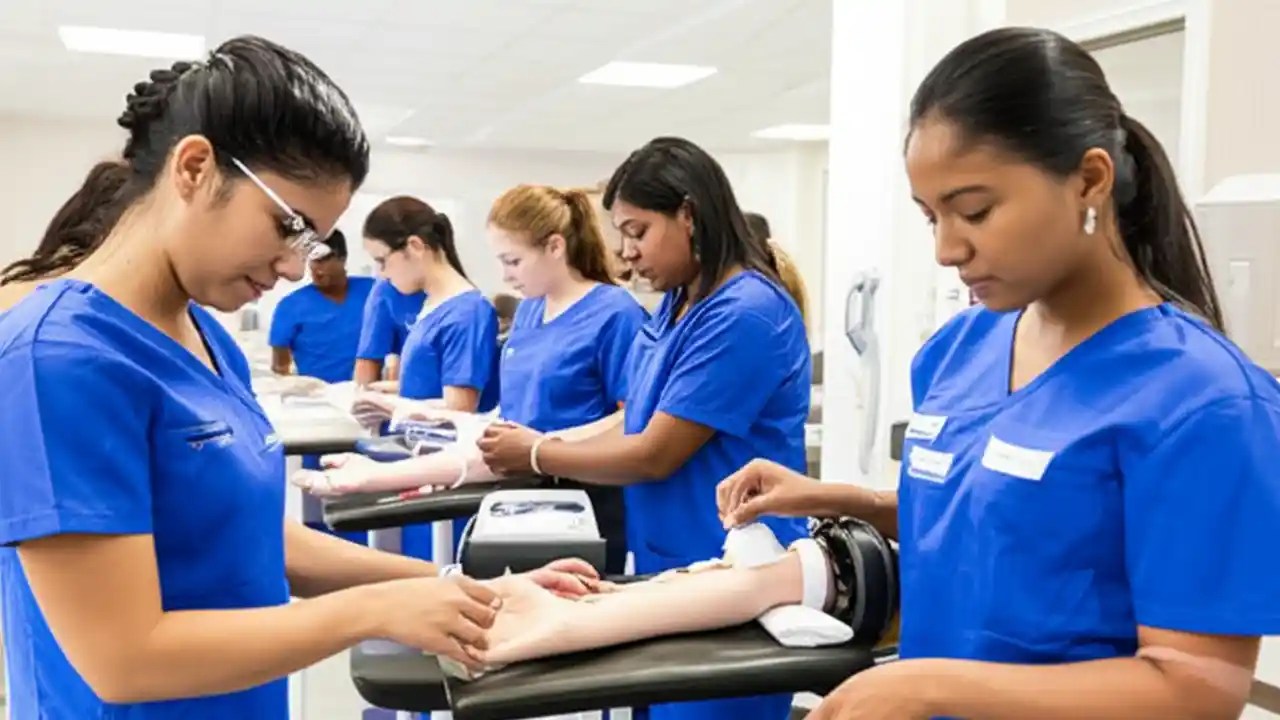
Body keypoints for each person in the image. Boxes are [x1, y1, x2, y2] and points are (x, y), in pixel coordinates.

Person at [0, 37, 594, 720]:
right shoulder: (59, 358)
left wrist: (472, 588)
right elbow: (125, 657)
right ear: (194, 168)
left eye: (310, 243)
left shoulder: (205, 335)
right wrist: (373, 610)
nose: (292, 267)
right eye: (288, 227)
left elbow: (258, 538)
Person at [716, 26, 1280, 720]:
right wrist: (833, 497)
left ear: (1090, 180)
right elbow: (998, 514)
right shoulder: (959, 349)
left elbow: (1194, 688)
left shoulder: (1202, 401)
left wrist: (925, 686)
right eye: (931, 218)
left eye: (975, 211)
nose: (949, 248)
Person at [479, 137, 812, 720]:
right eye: (621, 234)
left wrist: (539, 456)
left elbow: (655, 453)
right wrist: (542, 448)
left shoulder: (746, 312)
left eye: (638, 231)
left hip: (737, 565)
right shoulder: (677, 303)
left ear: (690, 214)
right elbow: (635, 424)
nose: (626, 252)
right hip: (672, 557)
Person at [356, 195, 501, 563]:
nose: (381, 275)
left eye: (382, 261)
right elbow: (427, 385)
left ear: (415, 247)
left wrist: (393, 404)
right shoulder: (431, 305)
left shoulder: (467, 311)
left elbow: (460, 406)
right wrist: (381, 395)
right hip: (419, 457)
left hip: (447, 467)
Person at [268, 229, 375, 383]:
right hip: (317, 398)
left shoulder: (373, 293)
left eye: (324, 259)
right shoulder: (290, 307)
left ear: (342, 258)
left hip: (371, 391)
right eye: (312, 259)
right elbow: (280, 369)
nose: (317, 268)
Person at [354, 277, 425, 386]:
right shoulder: (388, 290)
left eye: (383, 261)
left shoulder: (455, 298)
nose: (382, 270)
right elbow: (367, 369)